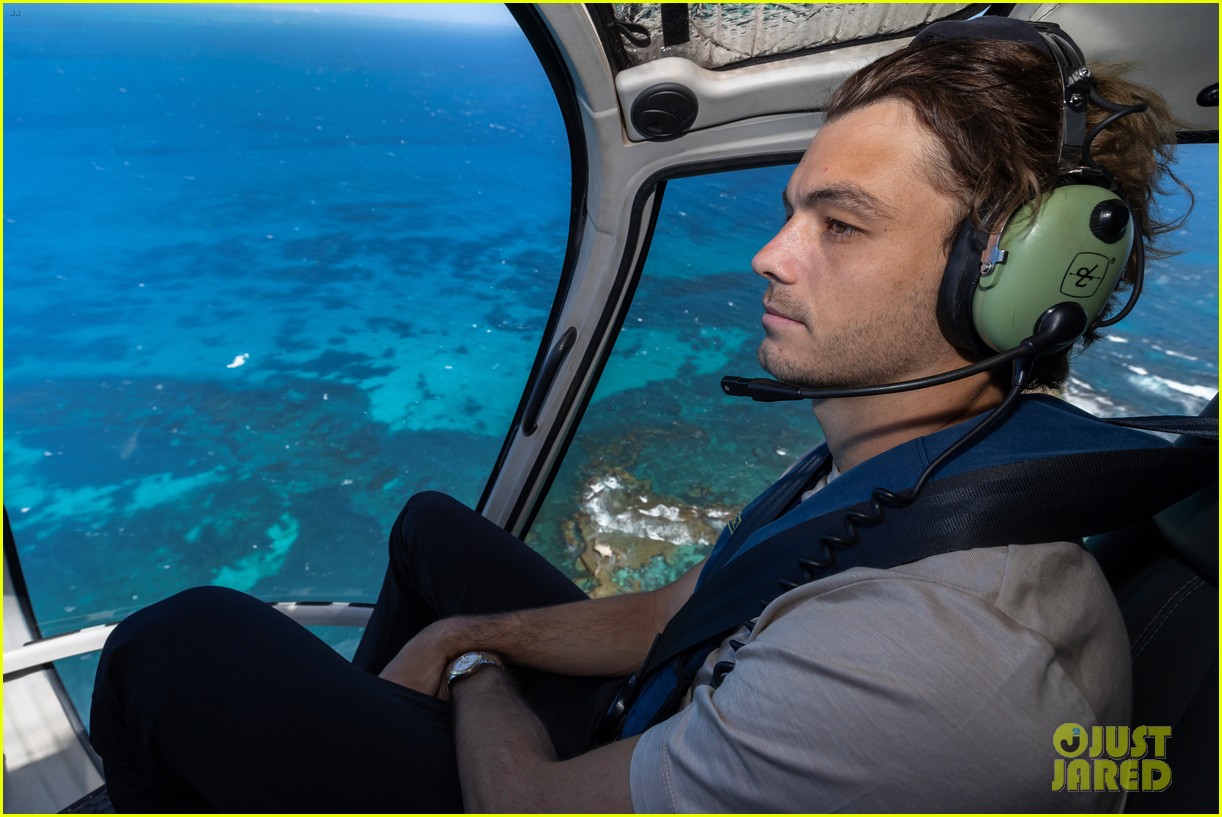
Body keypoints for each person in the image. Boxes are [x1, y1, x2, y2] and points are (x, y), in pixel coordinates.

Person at [90, 17, 1187, 812]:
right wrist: (466, 631)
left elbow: (534, 806)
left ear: (1014, 278)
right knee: (432, 526)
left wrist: (474, 673)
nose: (770, 253)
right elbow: (695, 605)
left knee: (182, 642)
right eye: (790, 208)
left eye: (840, 224)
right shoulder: (913, 460)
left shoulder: (925, 660)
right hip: (677, 718)